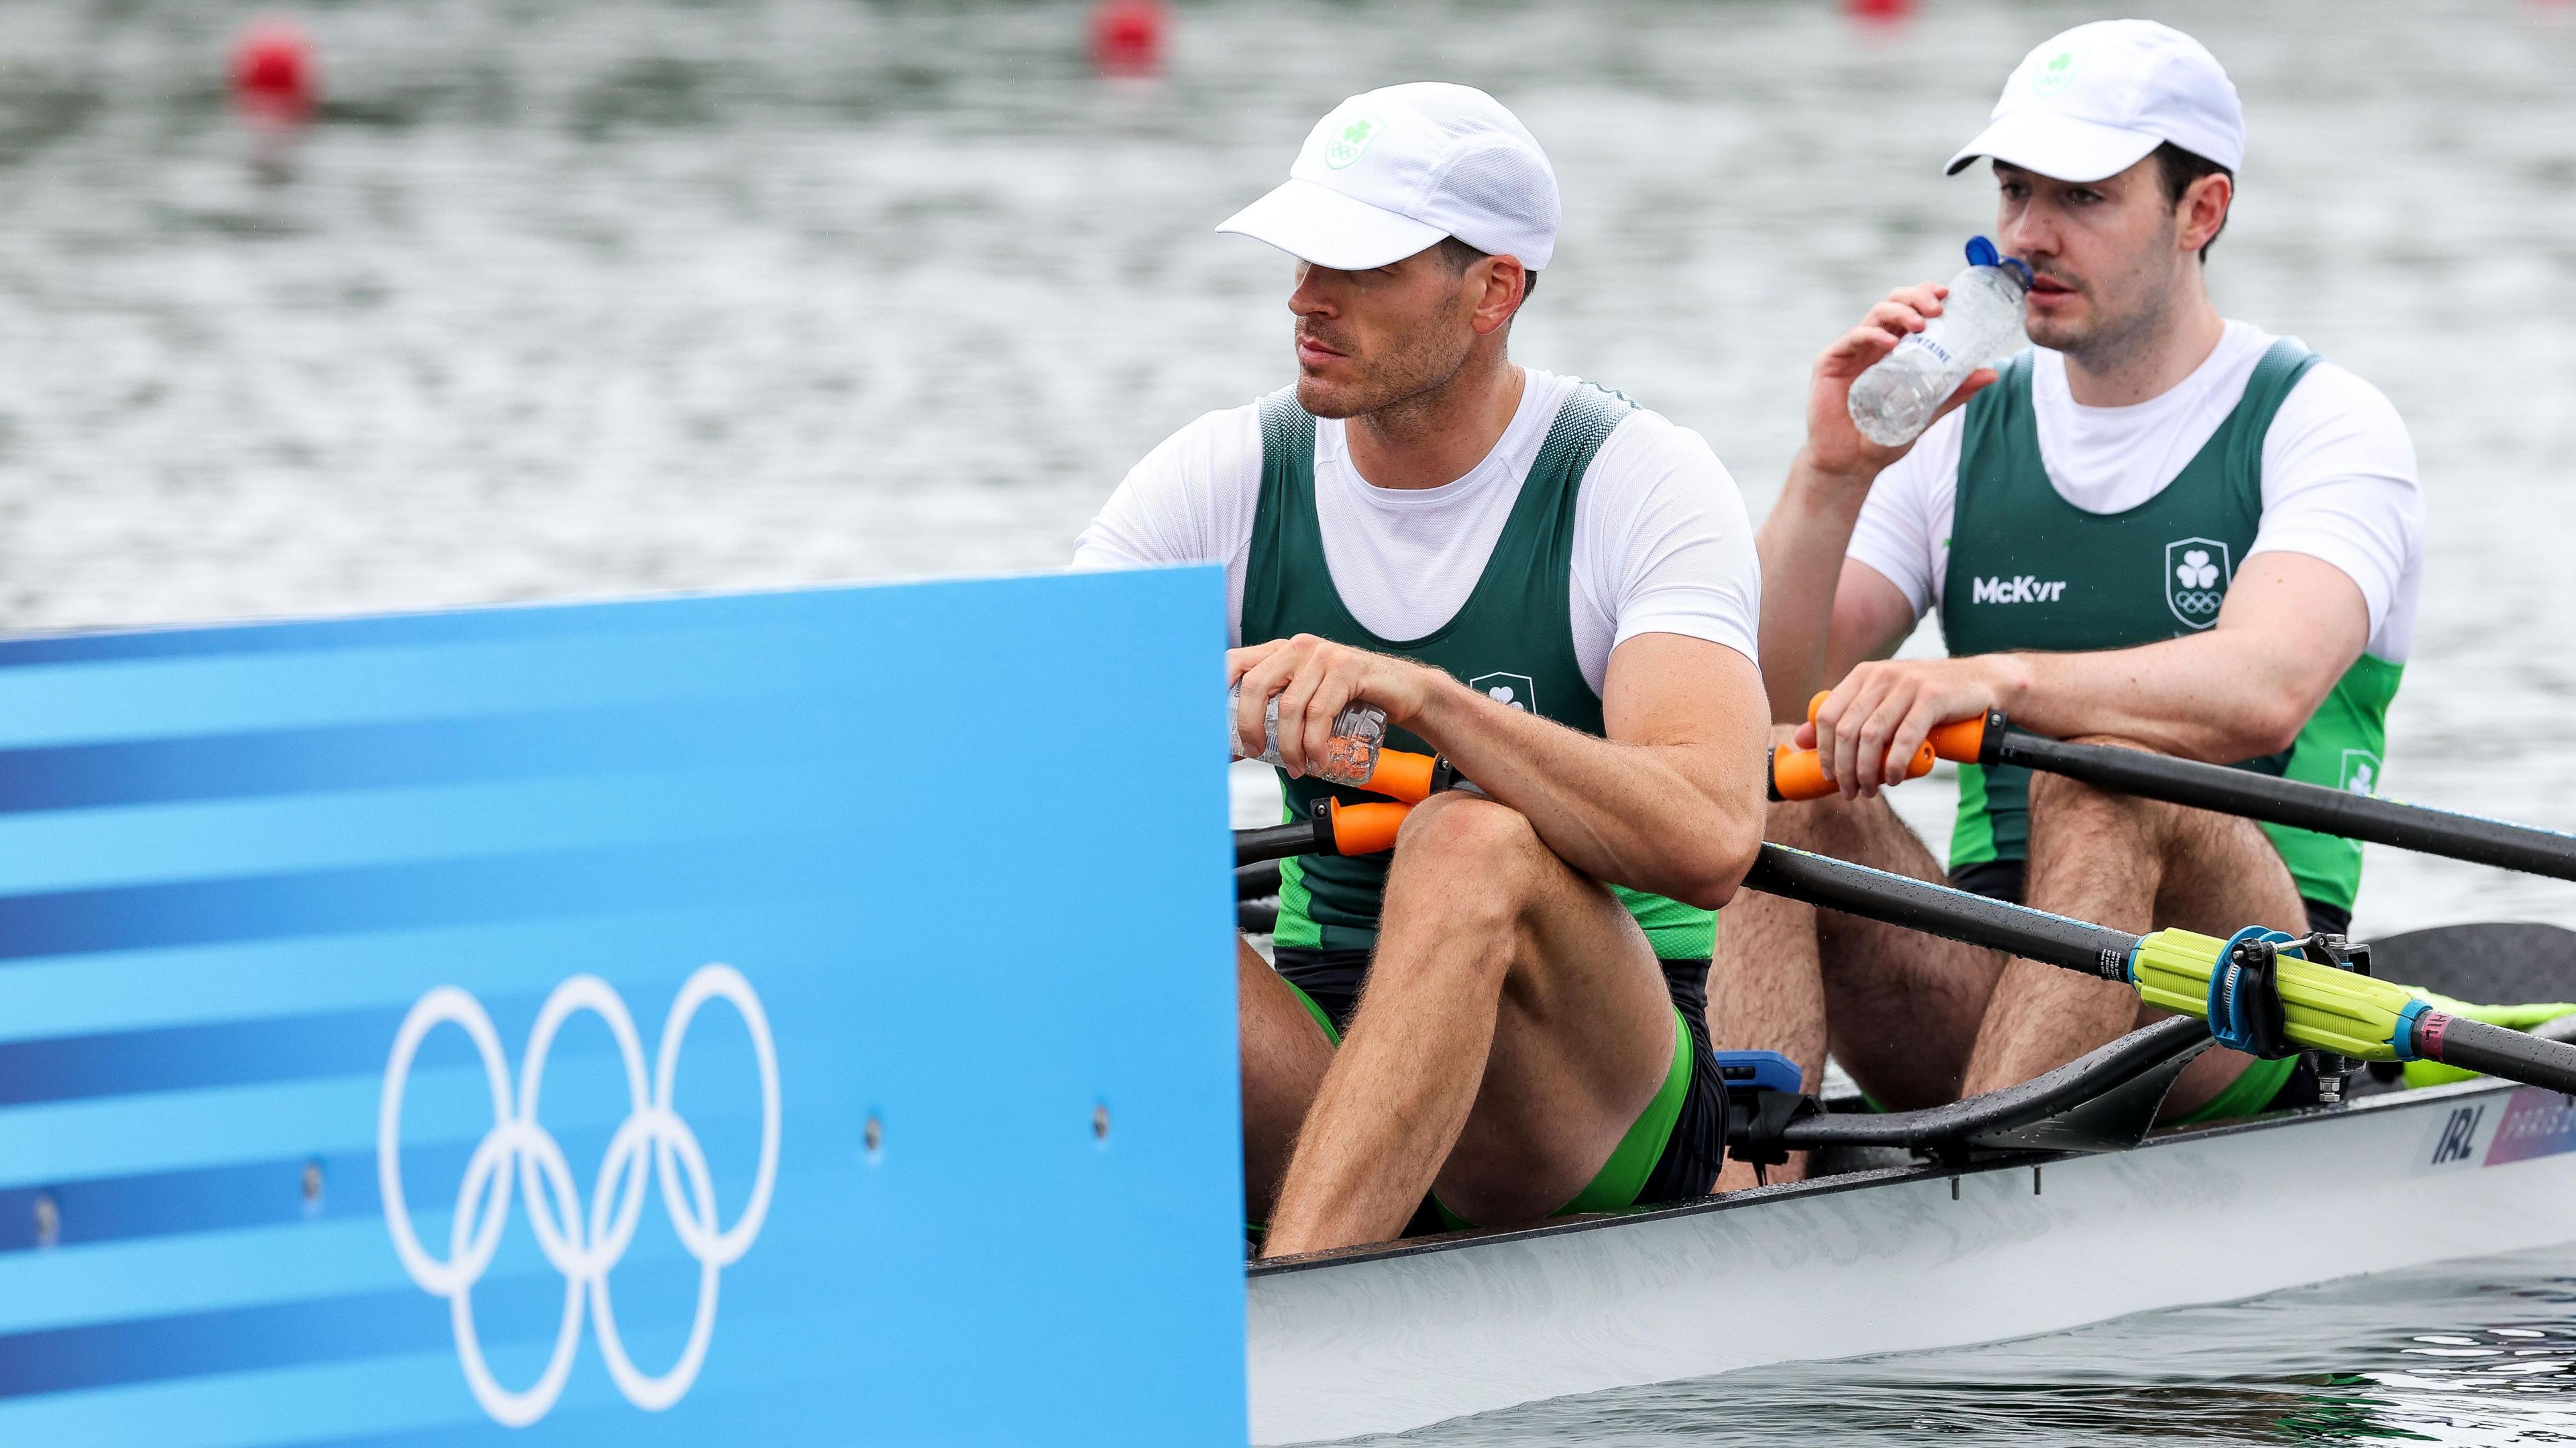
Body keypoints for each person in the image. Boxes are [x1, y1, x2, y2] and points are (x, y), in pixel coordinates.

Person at [1711, 19, 2424, 1188]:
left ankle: (1991, 1202)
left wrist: (1991, 679)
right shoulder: (1958, 426)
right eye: (2014, 190)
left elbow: (2267, 687)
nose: (2028, 236)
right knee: (1775, 772)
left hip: (2240, 999)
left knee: (2098, 766)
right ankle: (1738, 1202)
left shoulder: (2323, 422)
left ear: (2201, 213)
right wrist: (1831, 476)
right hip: (1983, 974)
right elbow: (1750, 693)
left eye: (2083, 197)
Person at [1075, 82, 1770, 1255]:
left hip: (1583, 1097)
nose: (1305, 299)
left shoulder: (1635, 480)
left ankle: (1302, 1328)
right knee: (1075, 866)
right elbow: (1034, 736)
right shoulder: (1218, 476)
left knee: (1466, 839)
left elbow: (1710, 839)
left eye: (1360, 265)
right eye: (1303, 257)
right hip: (1325, 1047)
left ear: (1494, 289)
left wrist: (1430, 704)